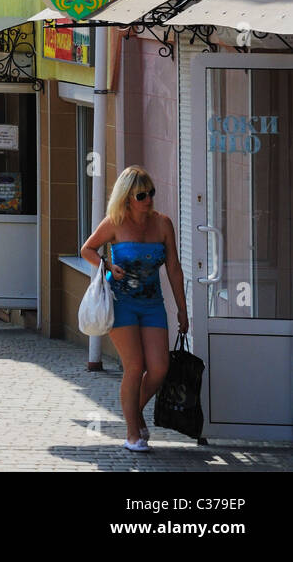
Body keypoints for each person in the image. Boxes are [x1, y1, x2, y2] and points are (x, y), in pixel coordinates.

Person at [80, 165, 188, 453]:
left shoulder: (163, 224)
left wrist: (182, 310)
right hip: (120, 303)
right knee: (135, 366)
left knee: (159, 368)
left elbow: (174, 269)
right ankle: (132, 433)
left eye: (151, 193)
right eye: (142, 195)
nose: (148, 199)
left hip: (153, 305)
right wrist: (106, 265)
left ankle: (134, 412)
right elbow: (87, 249)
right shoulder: (115, 222)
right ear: (127, 197)